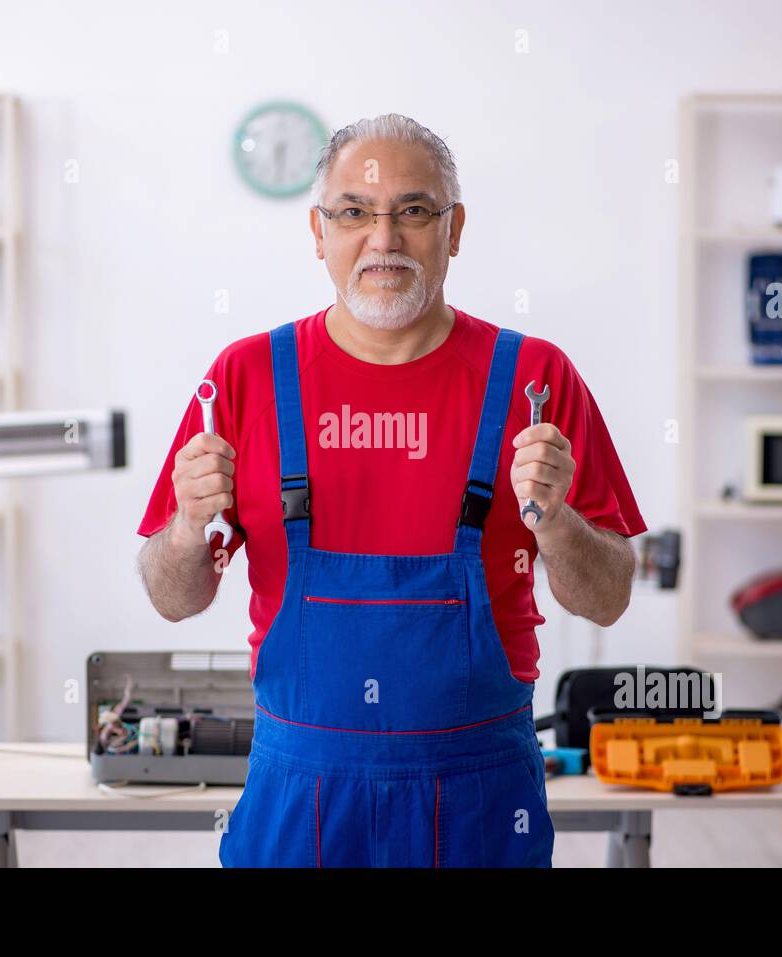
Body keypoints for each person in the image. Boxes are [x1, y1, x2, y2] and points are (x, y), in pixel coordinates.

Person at [137, 114, 646, 867]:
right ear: (319, 231)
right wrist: (187, 526)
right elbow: (171, 596)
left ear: (455, 228)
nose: (383, 239)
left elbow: (607, 598)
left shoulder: (535, 379)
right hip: (299, 798)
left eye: (413, 210)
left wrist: (558, 520)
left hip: (479, 800)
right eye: (354, 213)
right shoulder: (245, 379)